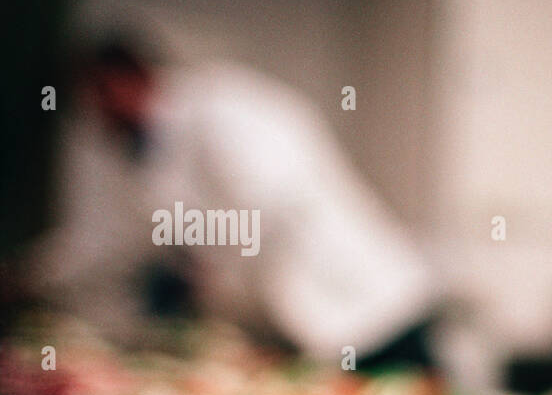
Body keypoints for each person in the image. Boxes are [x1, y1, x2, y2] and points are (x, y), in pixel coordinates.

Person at [32, 35, 441, 368]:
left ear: (133, 74)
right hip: (296, 327)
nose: (95, 113)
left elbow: (273, 200)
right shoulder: (141, 152)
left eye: (100, 93)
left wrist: (198, 269)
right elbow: (114, 238)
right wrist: (36, 275)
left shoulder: (223, 107)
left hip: (365, 307)